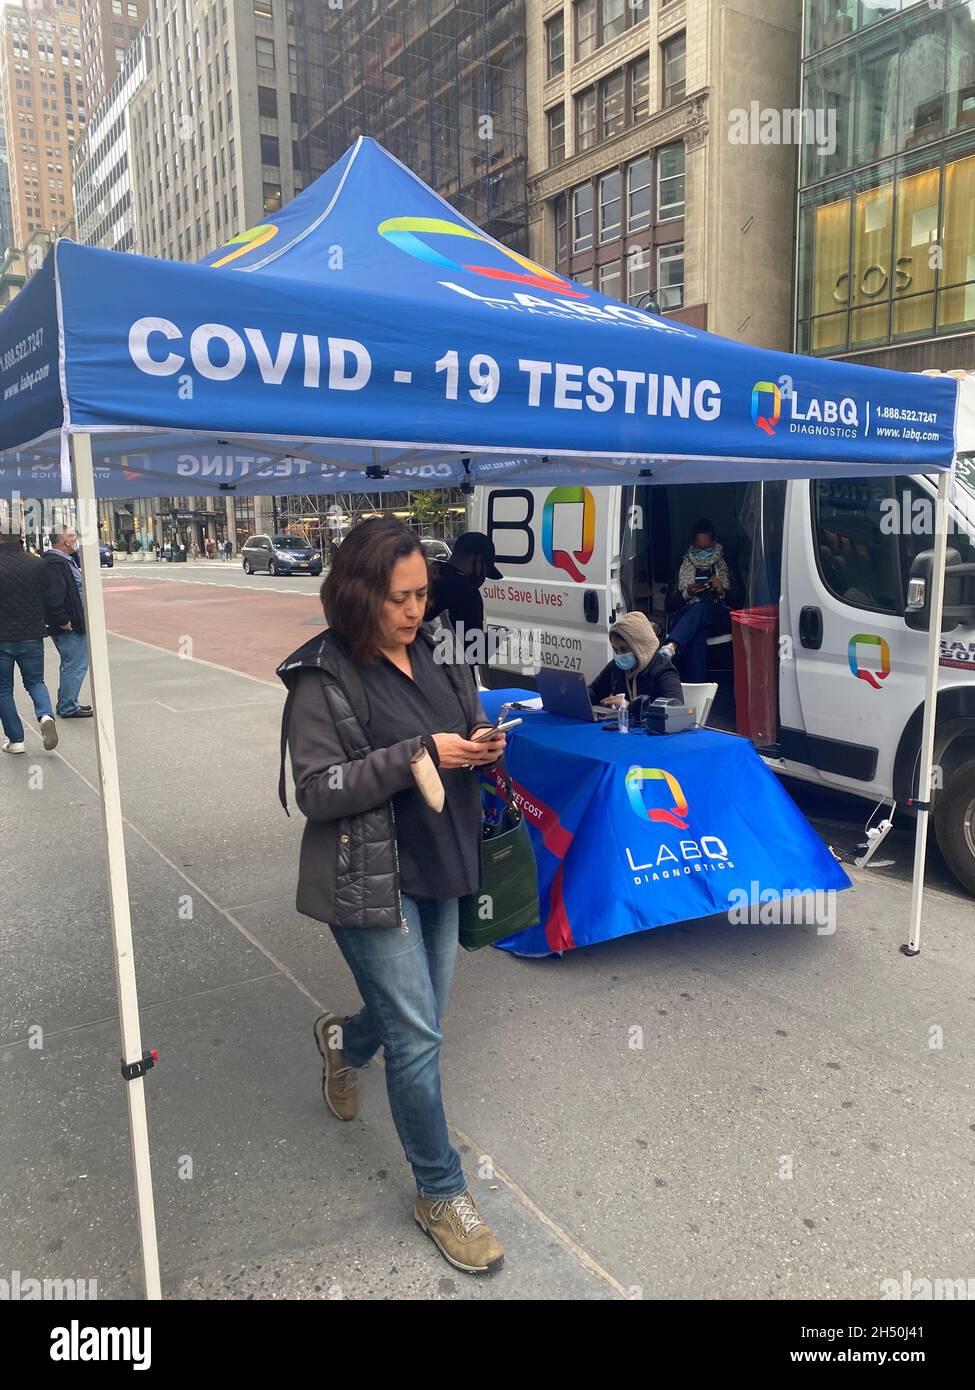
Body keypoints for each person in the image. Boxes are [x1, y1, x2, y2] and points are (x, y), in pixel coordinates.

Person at [277, 517, 508, 1275]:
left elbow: (461, 720)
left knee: (415, 1015)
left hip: (444, 861)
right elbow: (316, 790)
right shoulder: (322, 674)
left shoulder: (438, 647)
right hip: (368, 878)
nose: (416, 611)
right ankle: (440, 1192)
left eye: (421, 595)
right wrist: (414, 755)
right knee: (417, 1036)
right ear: (358, 593)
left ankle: (340, 1043)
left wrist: (478, 739)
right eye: (400, 598)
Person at [0, 524, 59, 754]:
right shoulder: (37, 563)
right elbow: (49, 597)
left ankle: (16, 741)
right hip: (32, 635)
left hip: (2, 638)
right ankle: (45, 716)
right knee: (35, 681)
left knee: (3, 689)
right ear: (20, 538)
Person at [661, 519, 732, 683]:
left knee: (702, 608)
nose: (703, 551)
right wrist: (687, 593)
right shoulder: (681, 564)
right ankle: (697, 691)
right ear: (692, 544)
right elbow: (668, 605)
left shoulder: (725, 563)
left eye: (707, 548)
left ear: (714, 542)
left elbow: (742, 599)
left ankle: (671, 646)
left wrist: (722, 590)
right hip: (688, 618)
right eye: (699, 548)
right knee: (696, 636)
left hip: (718, 616)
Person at [43, 527, 92, 720]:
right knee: (75, 664)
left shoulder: (60, 561)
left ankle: (68, 702)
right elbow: (54, 596)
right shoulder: (56, 564)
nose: (76, 539)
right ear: (66, 541)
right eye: (74, 536)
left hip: (70, 621)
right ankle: (67, 705)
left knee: (72, 663)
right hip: (69, 625)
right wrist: (64, 621)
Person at [589, 610, 683, 710]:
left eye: (623, 649)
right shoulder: (616, 667)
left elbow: (675, 708)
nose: (619, 655)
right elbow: (595, 691)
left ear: (640, 646)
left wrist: (630, 706)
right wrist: (578, 693)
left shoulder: (663, 671)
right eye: (615, 649)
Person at [430, 532, 502, 642]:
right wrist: (497, 637)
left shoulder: (430, 576)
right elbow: (474, 652)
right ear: (478, 560)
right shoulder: (467, 593)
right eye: (485, 572)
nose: (483, 579)